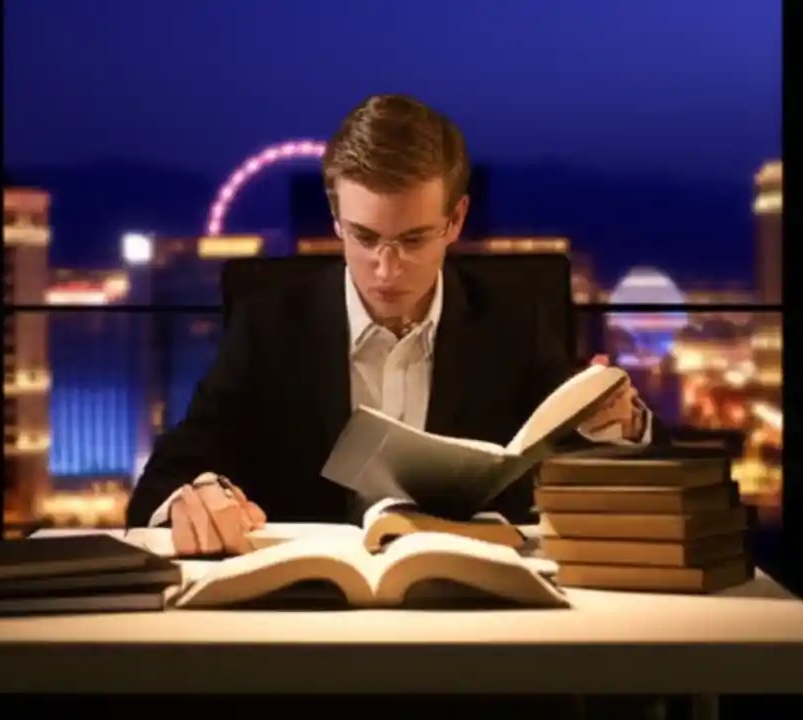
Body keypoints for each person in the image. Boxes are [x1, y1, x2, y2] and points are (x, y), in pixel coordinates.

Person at [125, 94, 660, 555]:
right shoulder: (270, 326)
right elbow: (166, 479)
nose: (386, 269)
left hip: (475, 606)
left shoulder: (512, 322)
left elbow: (592, 463)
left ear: (456, 220)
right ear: (336, 220)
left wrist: (618, 424)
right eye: (364, 237)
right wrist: (196, 498)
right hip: (313, 608)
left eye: (412, 240)